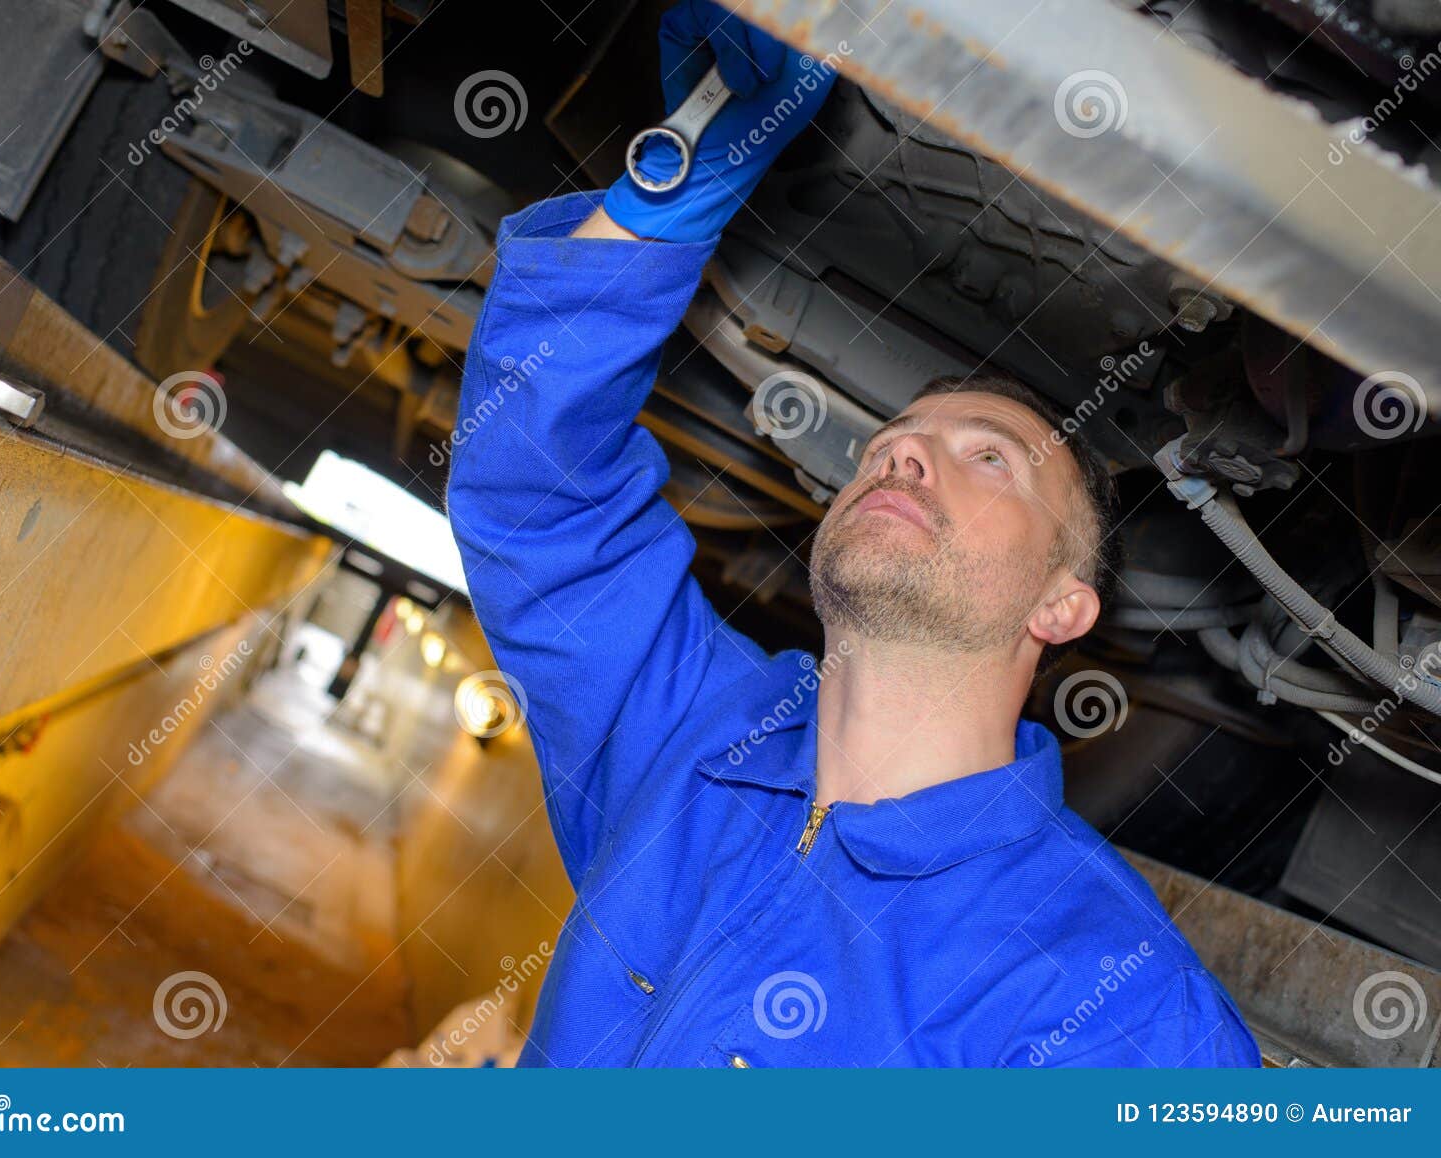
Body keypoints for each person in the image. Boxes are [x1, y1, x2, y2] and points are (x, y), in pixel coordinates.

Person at [445, 0, 1260, 1067]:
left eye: (989, 459)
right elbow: (533, 492)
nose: (903, 452)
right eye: (896, 437)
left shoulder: (1110, 999)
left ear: (1060, 604)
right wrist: (676, 177)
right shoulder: (690, 742)